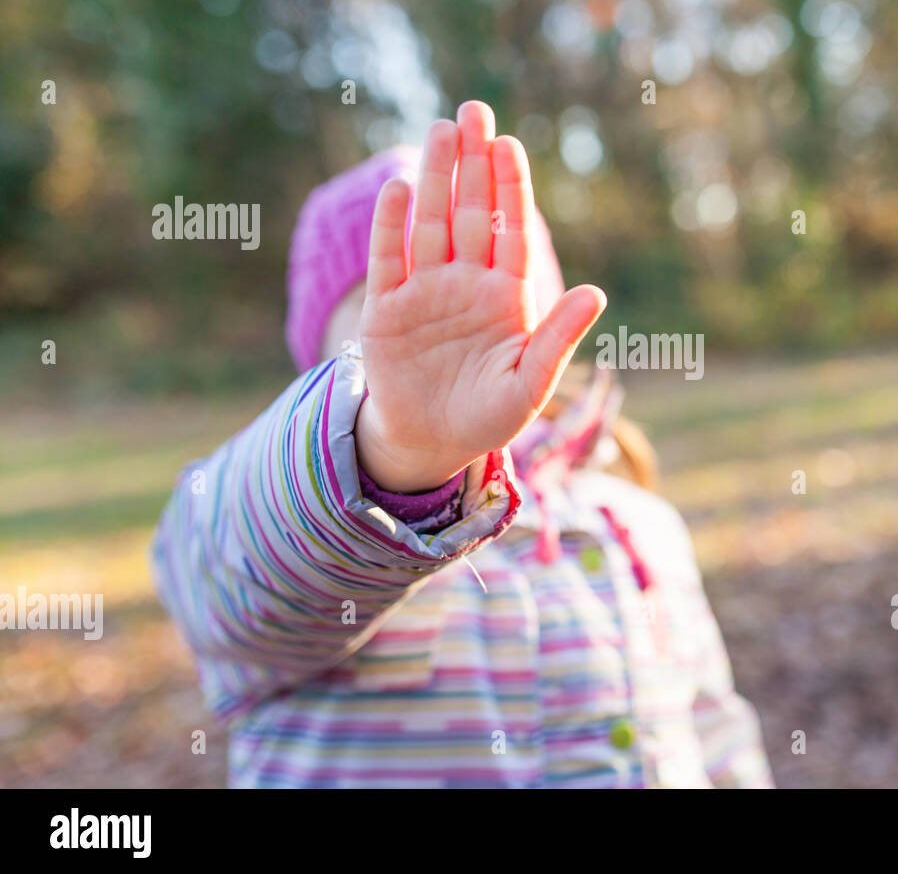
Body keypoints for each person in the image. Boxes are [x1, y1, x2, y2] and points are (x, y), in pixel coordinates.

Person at [151, 101, 773, 788]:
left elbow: (715, 728)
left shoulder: (639, 524)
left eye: (470, 320)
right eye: (380, 333)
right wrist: (398, 451)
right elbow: (229, 580)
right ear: (316, 368)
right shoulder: (292, 516)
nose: (440, 359)